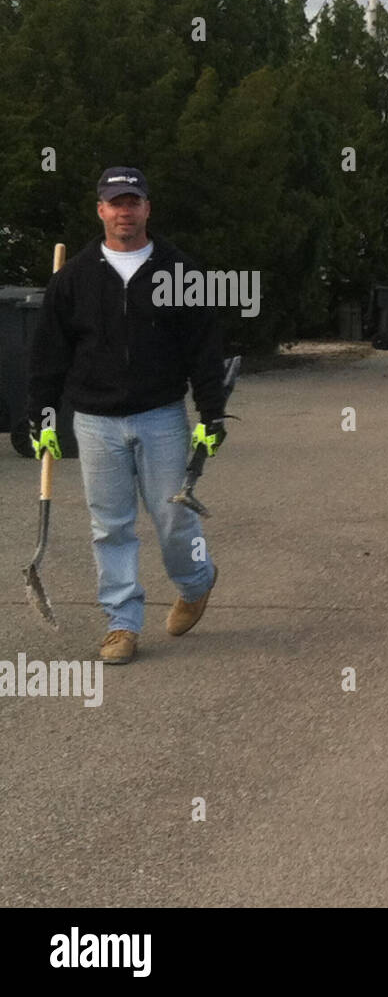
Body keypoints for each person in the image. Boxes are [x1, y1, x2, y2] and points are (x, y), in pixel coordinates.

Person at [27, 167, 227, 665]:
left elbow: (205, 349)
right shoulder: (73, 277)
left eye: (133, 201)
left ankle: (196, 582)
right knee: (109, 526)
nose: (124, 211)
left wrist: (212, 415)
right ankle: (121, 623)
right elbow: (48, 356)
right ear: (100, 210)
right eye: (115, 202)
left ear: (147, 209)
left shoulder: (180, 272)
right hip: (94, 422)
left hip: (161, 415)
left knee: (173, 517)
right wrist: (42, 416)